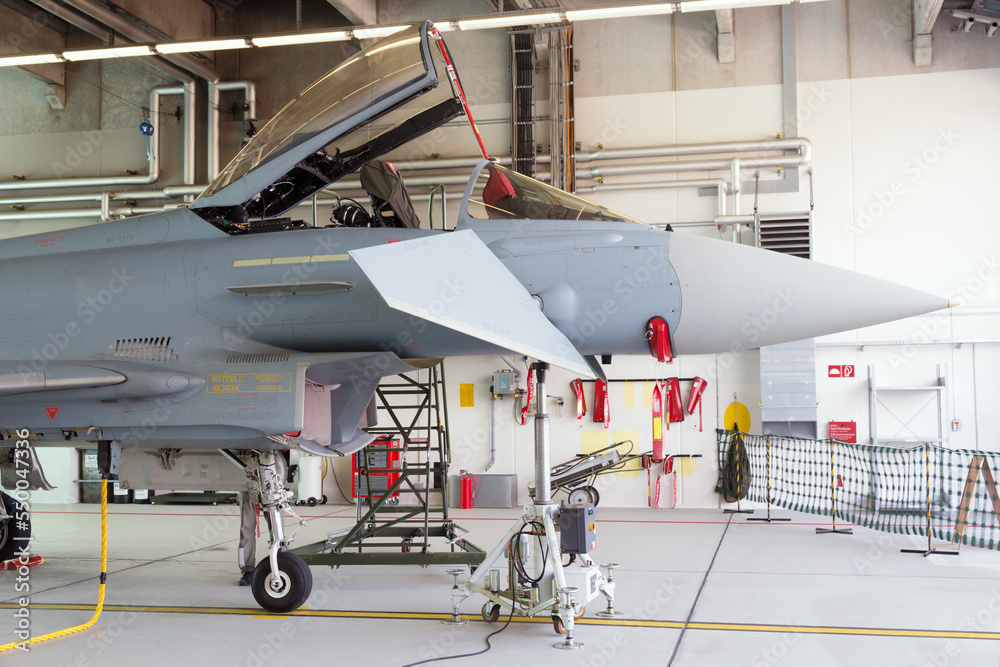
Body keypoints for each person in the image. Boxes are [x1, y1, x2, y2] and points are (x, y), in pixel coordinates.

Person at [237, 489, 271, 586]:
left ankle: (283, 565)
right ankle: (247, 570)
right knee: (246, 529)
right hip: (248, 485)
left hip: (272, 484)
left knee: (277, 529)